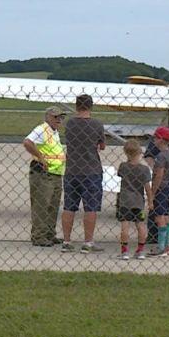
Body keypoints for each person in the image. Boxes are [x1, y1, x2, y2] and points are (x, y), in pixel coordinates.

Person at [60, 94, 107, 254]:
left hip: (72, 169)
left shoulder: (70, 123)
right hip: (91, 170)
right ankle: (88, 242)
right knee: (91, 207)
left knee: (69, 206)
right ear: (91, 106)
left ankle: (66, 241)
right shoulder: (96, 124)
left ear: (76, 106)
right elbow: (102, 146)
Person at [22, 107, 67, 246]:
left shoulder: (55, 132)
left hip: (56, 173)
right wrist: (40, 157)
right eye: (55, 117)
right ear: (48, 117)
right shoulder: (42, 129)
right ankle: (39, 236)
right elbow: (27, 142)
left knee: (52, 206)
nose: (59, 119)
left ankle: (49, 233)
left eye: (61, 117)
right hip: (43, 174)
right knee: (41, 205)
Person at [116, 139, 152, 260]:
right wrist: (151, 201)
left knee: (125, 226)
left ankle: (124, 251)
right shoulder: (144, 170)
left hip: (125, 200)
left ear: (126, 153)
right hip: (138, 201)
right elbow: (147, 187)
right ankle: (140, 250)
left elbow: (120, 175)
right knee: (140, 225)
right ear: (140, 152)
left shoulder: (123, 166)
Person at [147, 126, 169, 257]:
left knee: (159, 217)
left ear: (161, 140)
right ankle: (167, 246)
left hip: (161, 188)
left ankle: (161, 247)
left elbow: (159, 175)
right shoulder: (168, 153)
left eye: (156, 138)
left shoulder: (160, 156)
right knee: (165, 215)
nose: (154, 140)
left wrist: (153, 192)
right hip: (166, 187)